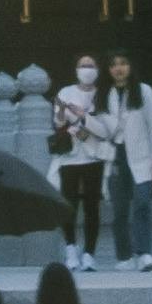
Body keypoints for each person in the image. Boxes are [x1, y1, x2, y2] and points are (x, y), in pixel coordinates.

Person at [99, 58, 152, 261]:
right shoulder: (104, 93)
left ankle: (144, 253)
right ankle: (124, 256)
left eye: (123, 64)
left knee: (143, 204)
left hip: (142, 156)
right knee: (120, 210)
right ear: (109, 70)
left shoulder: (144, 90)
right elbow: (101, 128)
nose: (119, 69)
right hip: (116, 156)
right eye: (113, 65)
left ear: (130, 67)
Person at [51, 54, 112, 258]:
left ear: (97, 69)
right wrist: (61, 113)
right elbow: (59, 123)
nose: (86, 69)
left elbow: (105, 131)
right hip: (70, 156)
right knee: (69, 204)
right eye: (82, 65)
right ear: (76, 70)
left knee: (91, 206)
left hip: (94, 156)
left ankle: (89, 253)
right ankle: (70, 248)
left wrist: (82, 116)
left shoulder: (103, 95)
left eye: (91, 65)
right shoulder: (66, 92)